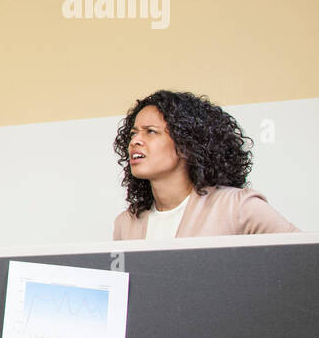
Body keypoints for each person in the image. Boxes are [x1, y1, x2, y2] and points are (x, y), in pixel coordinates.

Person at [112, 90, 298, 239]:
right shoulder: (126, 223)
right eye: (133, 133)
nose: (135, 140)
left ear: (186, 145)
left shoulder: (238, 207)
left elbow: (304, 258)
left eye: (151, 132)